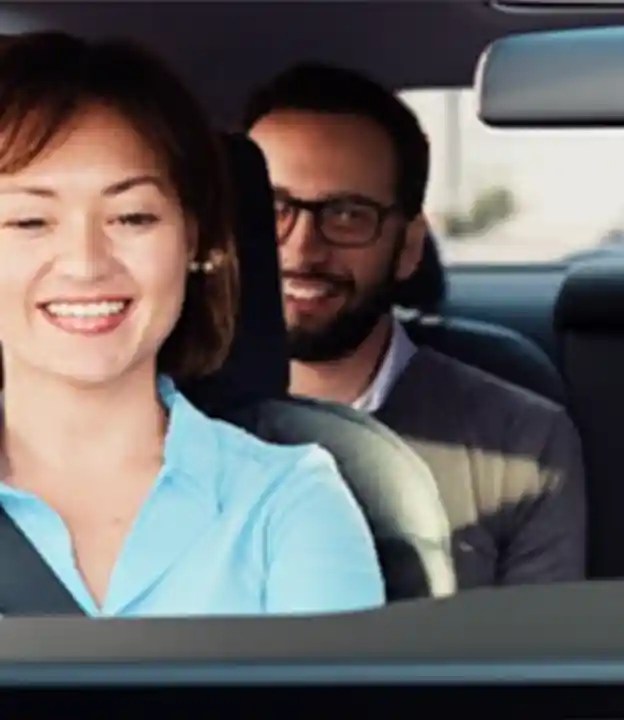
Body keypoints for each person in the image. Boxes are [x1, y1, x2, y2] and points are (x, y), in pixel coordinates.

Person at [0, 32, 385, 616]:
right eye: (30, 221)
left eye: (131, 217)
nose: (85, 263)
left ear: (195, 241)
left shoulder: (286, 505)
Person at [244, 64, 588, 589]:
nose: (302, 249)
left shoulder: (519, 443)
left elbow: (539, 661)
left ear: (407, 247)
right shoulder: (154, 419)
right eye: (272, 208)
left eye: (347, 214)